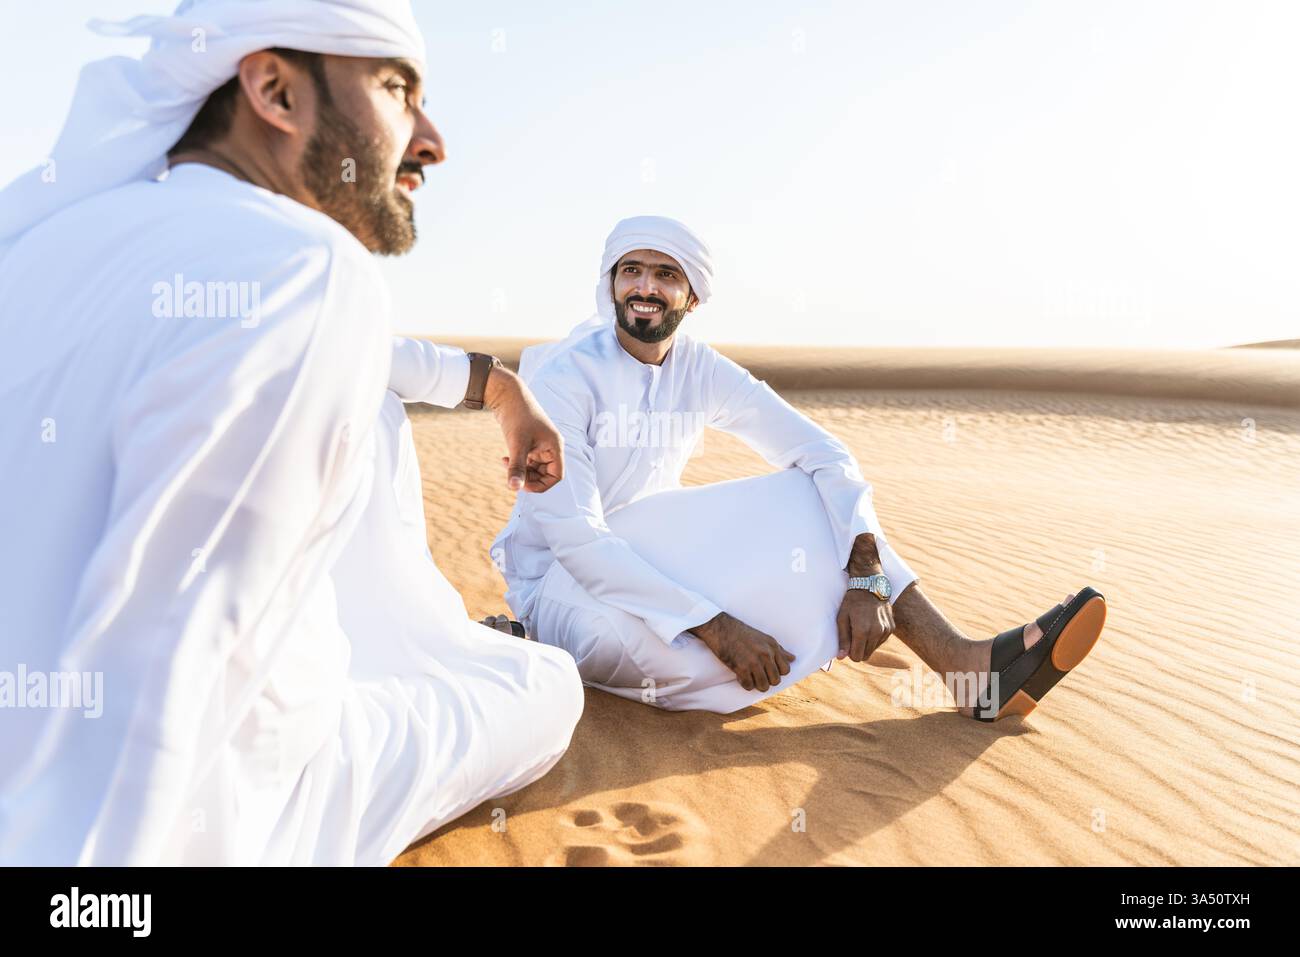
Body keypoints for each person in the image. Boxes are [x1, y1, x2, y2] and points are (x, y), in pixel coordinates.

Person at [0, 0, 582, 866]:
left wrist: (496, 386)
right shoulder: (307, 269)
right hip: (243, 807)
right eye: (397, 87)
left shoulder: (47, 243)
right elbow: (157, 670)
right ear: (274, 89)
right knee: (549, 686)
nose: (432, 141)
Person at [479, 215, 1107, 716]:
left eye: (666, 275)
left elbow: (825, 454)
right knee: (703, 668)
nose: (645, 288)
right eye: (632, 271)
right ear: (612, 283)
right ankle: (534, 643)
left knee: (815, 497)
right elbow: (581, 540)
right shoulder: (564, 379)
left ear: (692, 296)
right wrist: (717, 627)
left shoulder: (700, 369)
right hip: (562, 582)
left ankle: (966, 666)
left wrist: (866, 576)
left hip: (650, 556)